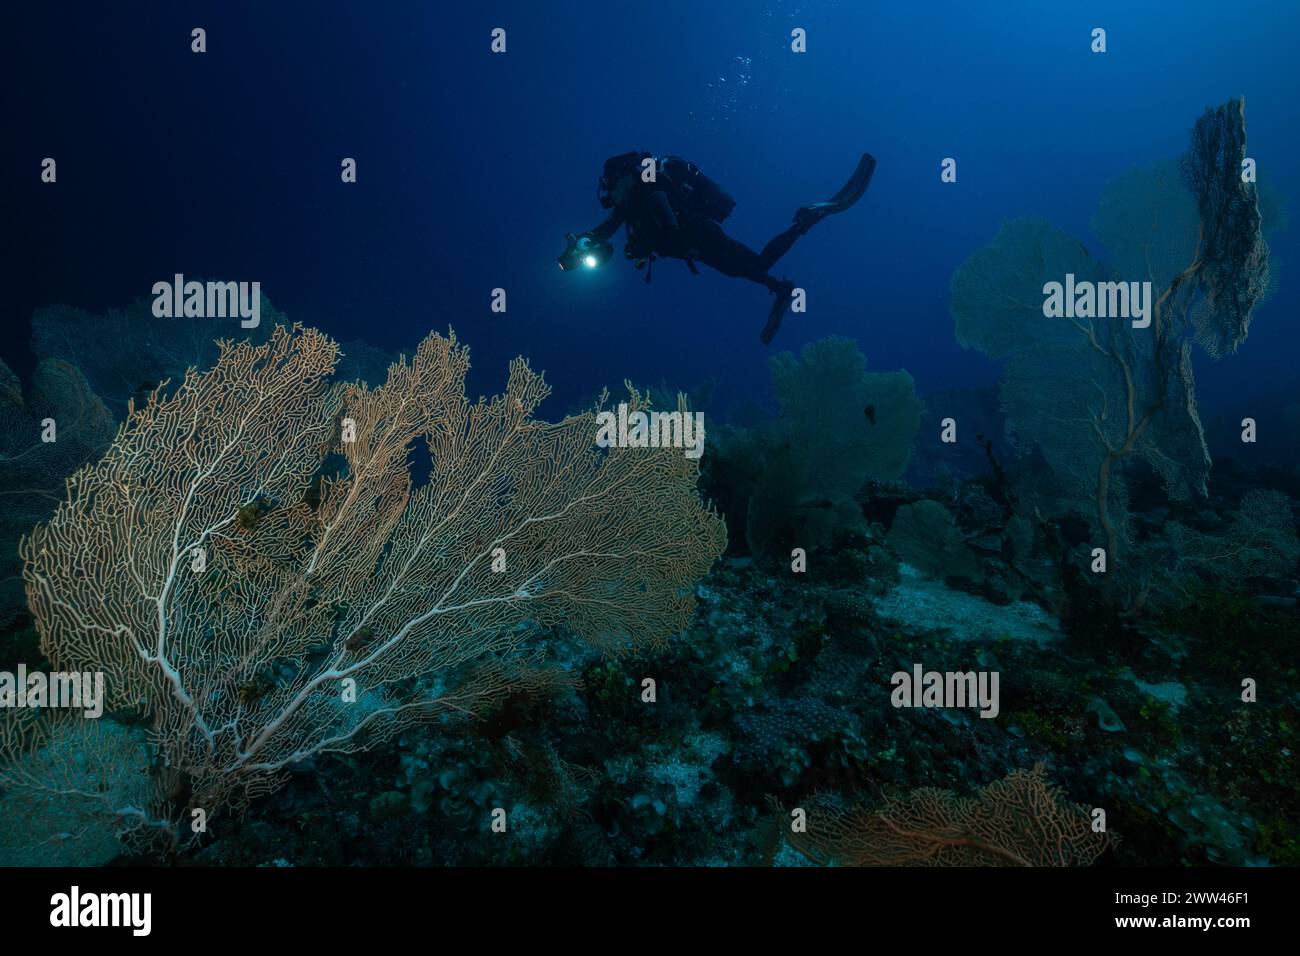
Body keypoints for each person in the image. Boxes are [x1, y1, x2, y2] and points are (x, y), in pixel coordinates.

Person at [559, 151, 875, 344]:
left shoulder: (650, 190)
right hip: (694, 249)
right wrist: (583, 241)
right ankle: (780, 288)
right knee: (741, 270)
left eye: (611, 183)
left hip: (701, 237)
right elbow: (606, 229)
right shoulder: (628, 206)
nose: (609, 191)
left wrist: (655, 243)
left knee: (756, 263)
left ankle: (807, 219)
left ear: (624, 177)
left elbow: (669, 223)